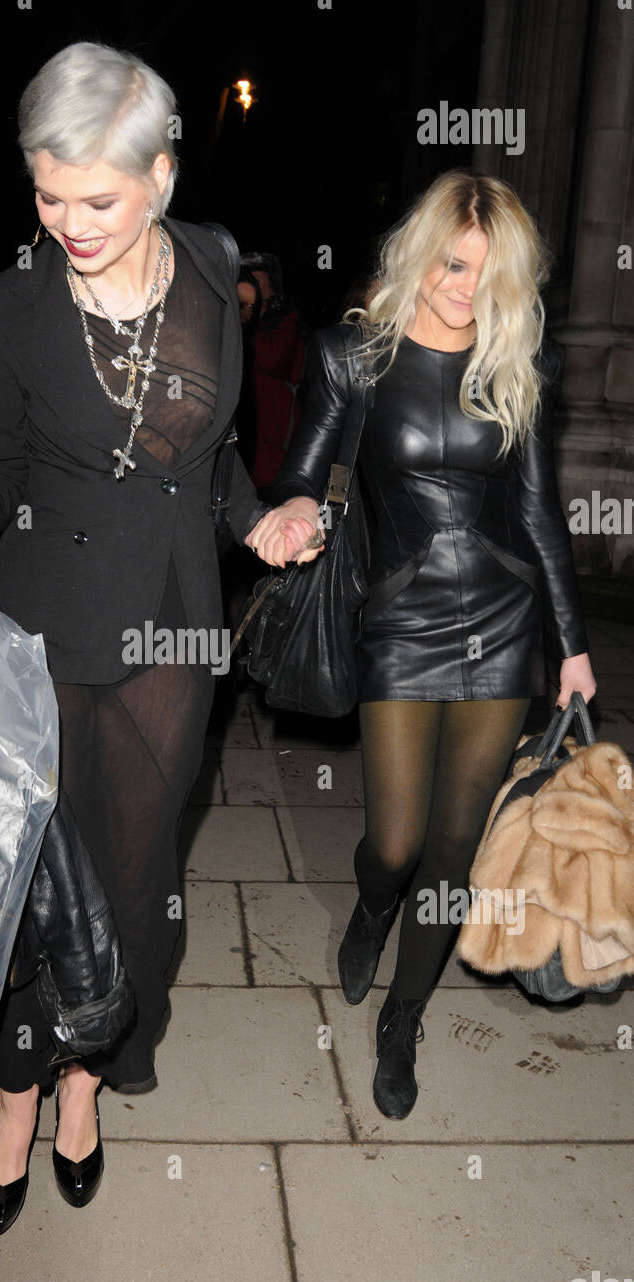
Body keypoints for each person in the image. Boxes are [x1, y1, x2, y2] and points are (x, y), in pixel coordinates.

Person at [0, 41, 281, 1231]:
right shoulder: (7, 307)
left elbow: (213, 461)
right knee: (30, 886)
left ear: (162, 176)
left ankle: (87, 1079)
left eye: (97, 199)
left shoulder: (217, 272)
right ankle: (15, 1091)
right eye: (47, 194)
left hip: (174, 633)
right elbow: (2, 470)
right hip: (45, 634)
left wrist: (263, 518)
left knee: (134, 878)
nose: (69, 221)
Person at [247, 170, 596, 1120]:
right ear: (421, 253)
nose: (461, 288)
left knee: (453, 845)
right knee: (394, 843)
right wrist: (289, 514)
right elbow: (301, 472)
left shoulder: (519, 366)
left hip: (503, 626)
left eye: (484, 275)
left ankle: (404, 1018)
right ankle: (371, 905)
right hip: (397, 620)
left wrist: (571, 646)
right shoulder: (353, 357)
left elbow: (539, 513)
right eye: (451, 263)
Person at [239, 251, 307, 490]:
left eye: (259, 281)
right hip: (244, 433)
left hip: (273, 437)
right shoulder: (234, 319)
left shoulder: (285, 321)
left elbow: (273, 358)